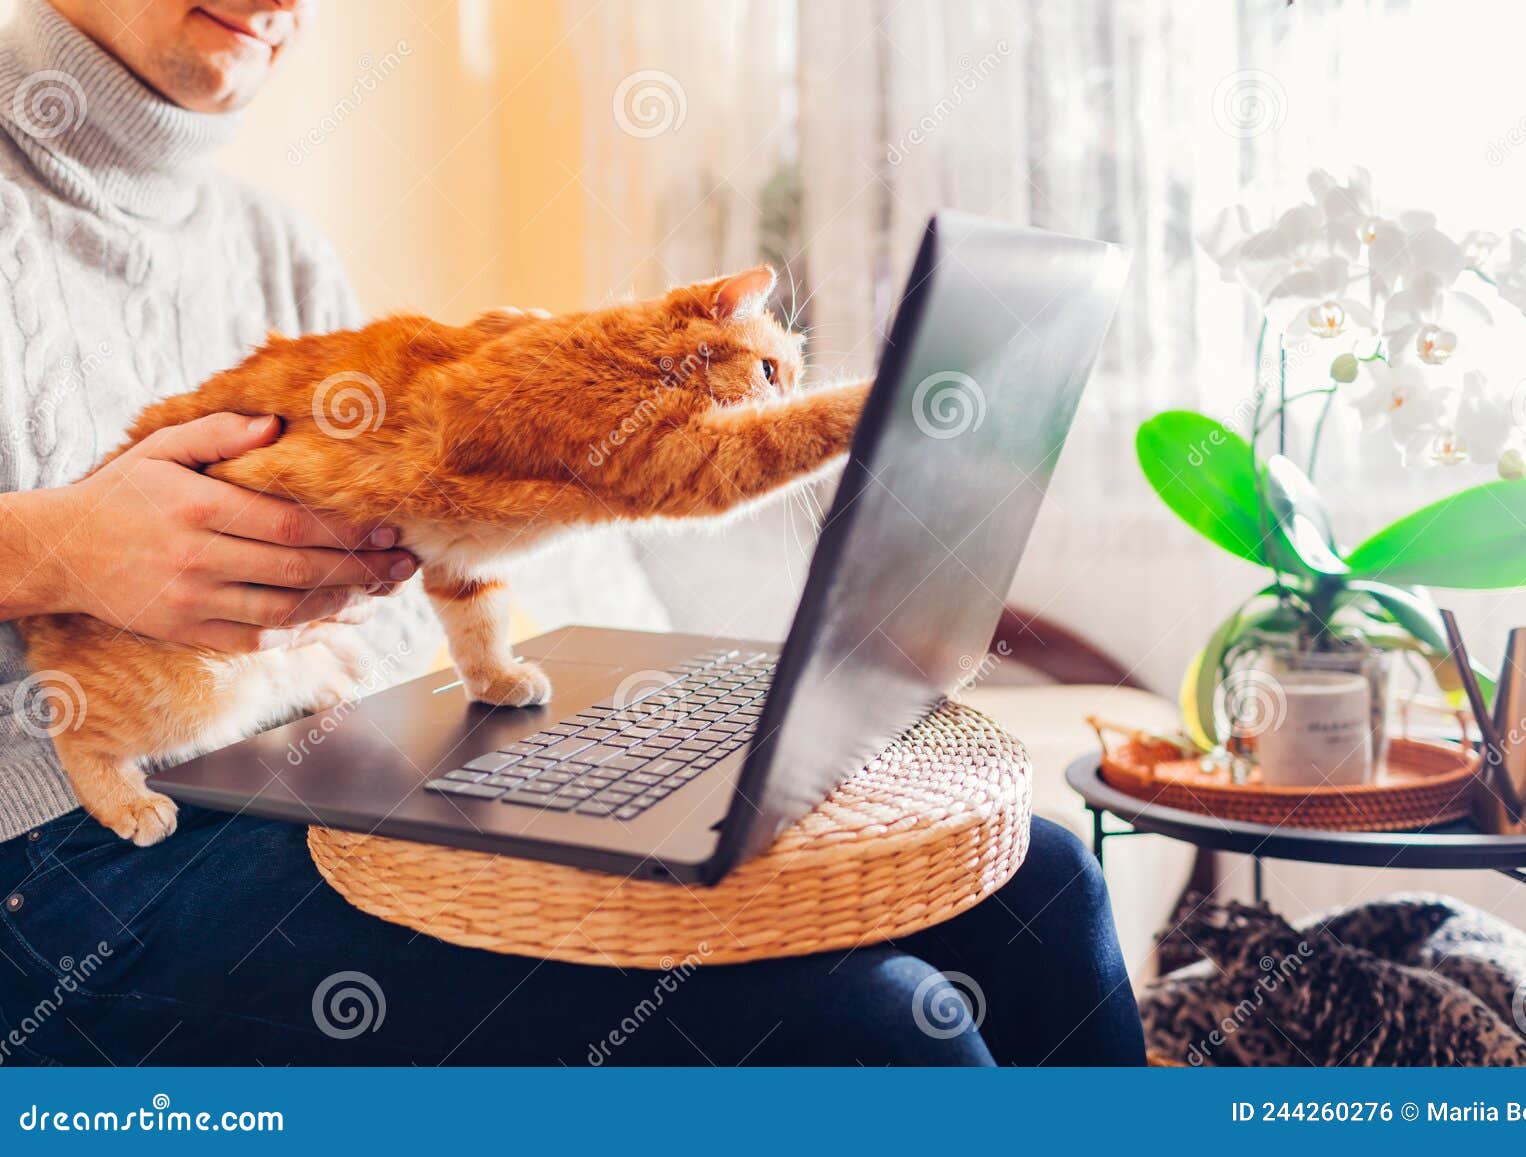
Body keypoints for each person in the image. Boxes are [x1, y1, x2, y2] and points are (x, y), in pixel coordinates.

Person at [0, 0, 1146, 1065]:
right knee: (881, 1026)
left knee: (1043, 880)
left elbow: (419, 543)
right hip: (52, 851)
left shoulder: (274, 243)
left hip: (317, 756)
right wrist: (55, 547)